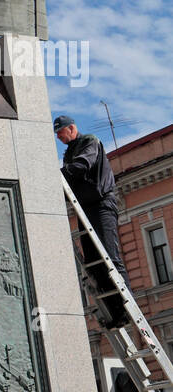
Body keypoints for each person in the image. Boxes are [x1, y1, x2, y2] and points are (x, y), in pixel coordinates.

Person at [54, 115, 130, 328]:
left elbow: (83, 165)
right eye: (57, 134)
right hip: (84, 209)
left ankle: (126, 306)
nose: (59, 137)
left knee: (110, 258)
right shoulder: (69, 153)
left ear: (71, 128)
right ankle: (115, 313)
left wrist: (55, 175)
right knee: (94, 263)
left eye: (61, 132)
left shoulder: (90, 142)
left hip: (101, 204)